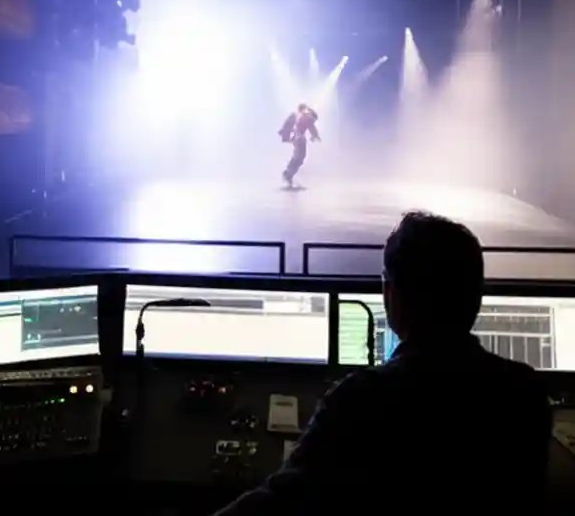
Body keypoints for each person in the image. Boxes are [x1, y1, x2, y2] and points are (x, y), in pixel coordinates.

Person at [215, 211, 553, 515]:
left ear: (390, 294)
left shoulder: (362, 399)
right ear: (476, 296)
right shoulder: (526, 393)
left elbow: (280, 503)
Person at [277, 103, 320, 187]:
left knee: (298, 155)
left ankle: (288, 173)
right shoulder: (308, 117)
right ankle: (288, 173)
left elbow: (289, 125)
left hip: (294, 135)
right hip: (298, 136)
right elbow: (312, 128)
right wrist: (315, 136)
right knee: (300, 156)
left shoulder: (296, 115)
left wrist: (285, 134)